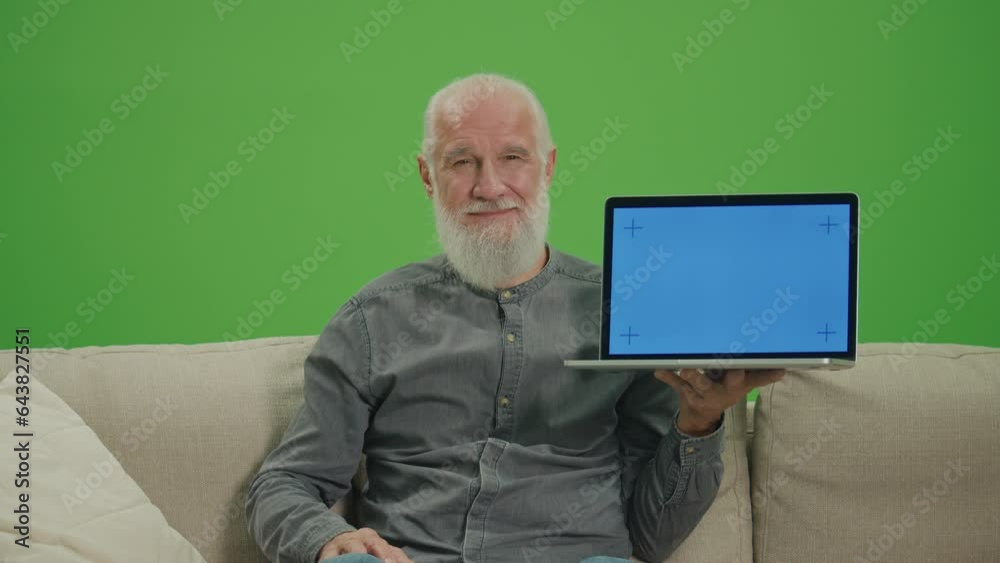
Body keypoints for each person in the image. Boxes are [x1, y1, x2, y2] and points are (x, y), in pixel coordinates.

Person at [245, 73, 785, 563]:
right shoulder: (372, 321)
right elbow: (286, 482)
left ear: (547, 166)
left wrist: (699, 420)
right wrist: (324, 539)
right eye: (462, 161)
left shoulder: (627, 311)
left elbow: (650, 536)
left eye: (512, 158)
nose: (489, 186)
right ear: (427, 176)